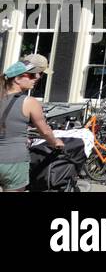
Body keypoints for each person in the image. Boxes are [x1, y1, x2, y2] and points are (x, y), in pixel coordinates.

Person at [1, 54, 63, 192]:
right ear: (17, 78)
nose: (37, 78)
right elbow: (45, 131)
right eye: (31, 75)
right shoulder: (30, 102)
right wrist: (56, 142)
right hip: (13, 161)